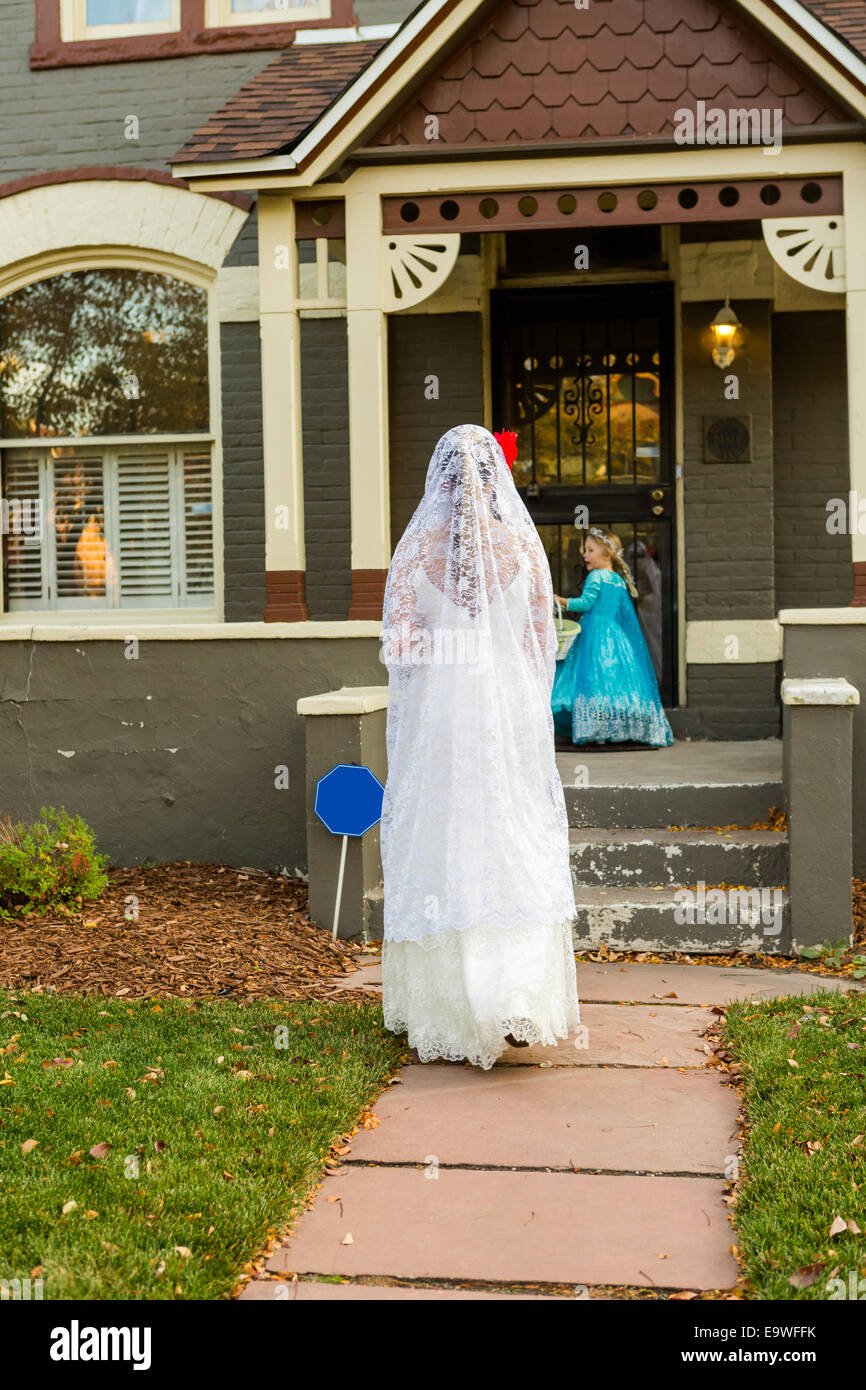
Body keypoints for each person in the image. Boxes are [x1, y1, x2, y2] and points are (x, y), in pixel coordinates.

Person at [379, 424, 580, 1070]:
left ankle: (458, 1003)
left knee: (448, 841)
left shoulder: (415, 554)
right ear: (497, 479)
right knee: (513, 833)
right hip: (509, 716)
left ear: (438, 482)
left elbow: (401, 654)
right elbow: (538, 646)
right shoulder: (522, 546)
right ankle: (515, 990)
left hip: (443, 721)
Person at [552, 526, 673, 747]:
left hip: (595, 633)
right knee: (617, 679)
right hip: (616, 635)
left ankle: (596, 728)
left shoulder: (596, 576)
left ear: (606, 554)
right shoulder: (617, 579)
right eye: (585, 550)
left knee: (593, 677)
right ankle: (618, 726)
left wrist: (561, 600)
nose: (584, 555)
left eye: (590, 550)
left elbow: (586, 603)